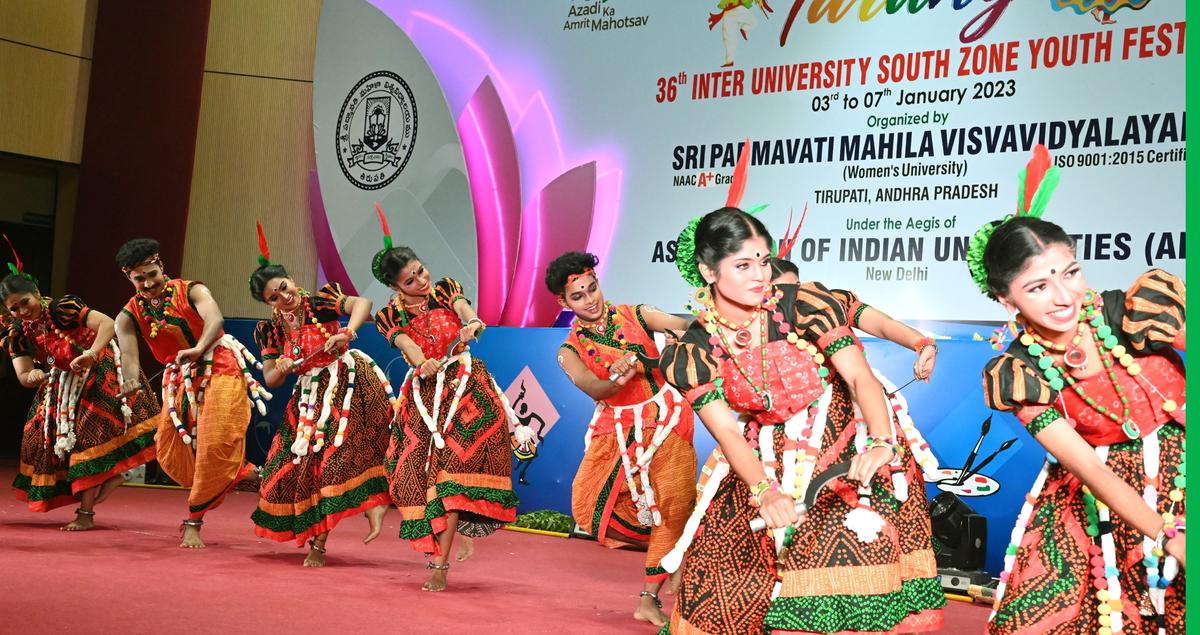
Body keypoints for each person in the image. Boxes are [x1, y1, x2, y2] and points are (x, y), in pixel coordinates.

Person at [654, 207, 944, 633]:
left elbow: (859, 376)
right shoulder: (692, 352)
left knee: (836, 564)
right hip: (762, 452)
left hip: (842, 436)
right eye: (743, 265)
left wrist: (881, 442)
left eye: (763, 261)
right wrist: (764, 491)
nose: (759, 275)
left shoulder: (802, 305)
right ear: (708, 271)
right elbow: (727, 432)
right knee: (718, 573)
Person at [971, 145, 1185, 633]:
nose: (1065, 297)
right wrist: (1167, 533)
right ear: (1008, 302)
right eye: (1038, 287)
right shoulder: (1018, 372)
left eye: (1070, 273)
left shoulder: (1139, 308)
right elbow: (1086, 464)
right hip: (1102, 491)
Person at [544, 251, 698, 627]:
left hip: (666, 421)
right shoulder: (569, 351)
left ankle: (648, 598)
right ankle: (673, 554)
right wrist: (617, 378)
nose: (590, 299)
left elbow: (688, 323)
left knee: (673, 505)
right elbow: (595, 387)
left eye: (592, 288)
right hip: (615, 431)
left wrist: (680, 333)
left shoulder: (637, 314)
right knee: (586, 504)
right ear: (564, 303)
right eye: (578, 296)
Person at [370, 208, 517, 591]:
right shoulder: (389, 315)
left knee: (452, 474)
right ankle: (447, 537)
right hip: (423, 397)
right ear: (396, 286)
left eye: (420, 270)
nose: (421, 279)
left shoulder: (444, 289)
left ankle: (440, 563)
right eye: (410, 278)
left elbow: (464, 309)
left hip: (467, 392)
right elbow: (404, 344)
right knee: (417, 476)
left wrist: (471, 322)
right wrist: (423, 361)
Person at [247, 223, 393, 566]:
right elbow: (271, 379)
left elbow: (363, 302)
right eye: (274, 297)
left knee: (331, 462)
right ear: (268, 303)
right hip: (308, 397)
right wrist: (280, 365)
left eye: (284, 287)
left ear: (292, 279)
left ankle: (320, 543)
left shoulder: (321, 302)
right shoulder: (269, 330)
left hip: (347, 385)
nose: (285, 297)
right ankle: (371, 508)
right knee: (291, 465)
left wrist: (347, 332)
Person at [114, 238, 269, 548]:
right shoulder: (127, 315)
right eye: (139, 278)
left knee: (216, 443)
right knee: (170, 451)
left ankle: (193, 521)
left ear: (161, 266)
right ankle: (252, 476)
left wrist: (198, 347)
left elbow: (215, 319)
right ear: (128, 277)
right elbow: (130, 358)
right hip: (180, 377)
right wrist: (130, 380)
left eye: (152, 274)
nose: (148, 283)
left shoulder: (192, 290)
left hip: (220, 364)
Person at [2, 243, 158, 529]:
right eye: (14, 308)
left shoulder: (63, 309)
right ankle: (111, 475)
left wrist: (90, 353)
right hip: (62, 384)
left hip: (100, 370)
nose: (22, 310)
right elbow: (23, 375)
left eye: (25, 302)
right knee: (37, 441)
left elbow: (108, 325)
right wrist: (34, 376)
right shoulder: (16, 334)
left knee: (88, 439)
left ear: (36, 294)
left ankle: (85, 514)